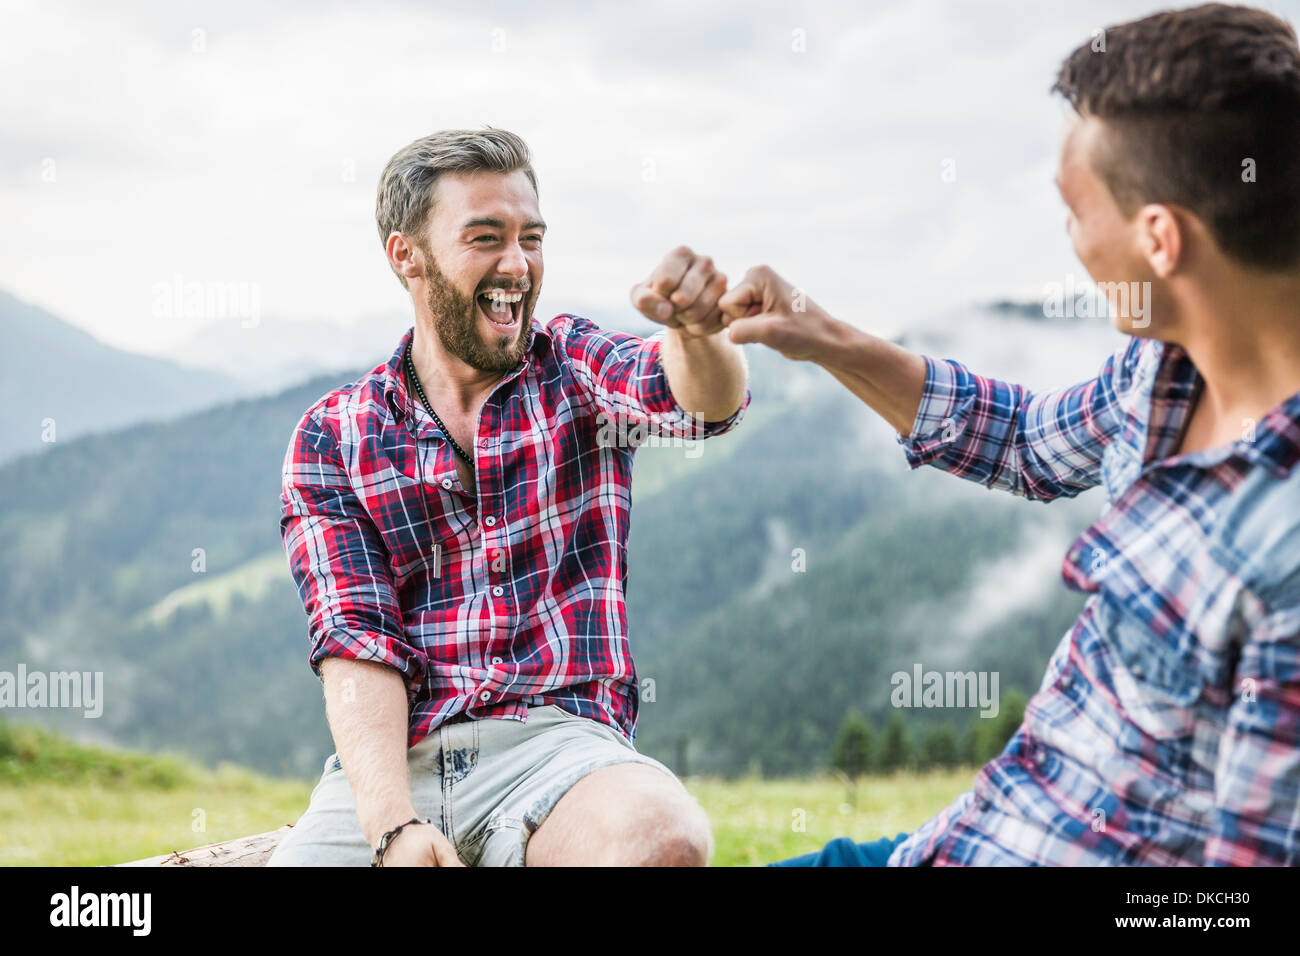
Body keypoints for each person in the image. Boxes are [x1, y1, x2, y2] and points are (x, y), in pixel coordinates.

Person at [703, 3, 1300, 865]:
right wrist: (819, 334)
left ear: (1160, 238)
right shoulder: (1162, 369)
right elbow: (1022, 440)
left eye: (1074, 211)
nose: (1071, 242)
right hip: (965, 839)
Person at [269, 129, 749, 866]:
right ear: (408, 258)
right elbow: (356, 640)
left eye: (531, 238)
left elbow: (699, 404)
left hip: (562, 749)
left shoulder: (578, 369)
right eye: (486, 238)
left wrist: (697, 335)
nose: (517, 265)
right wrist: (393, 826)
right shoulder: (335, 436)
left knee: (662, 837)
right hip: (402, 762)